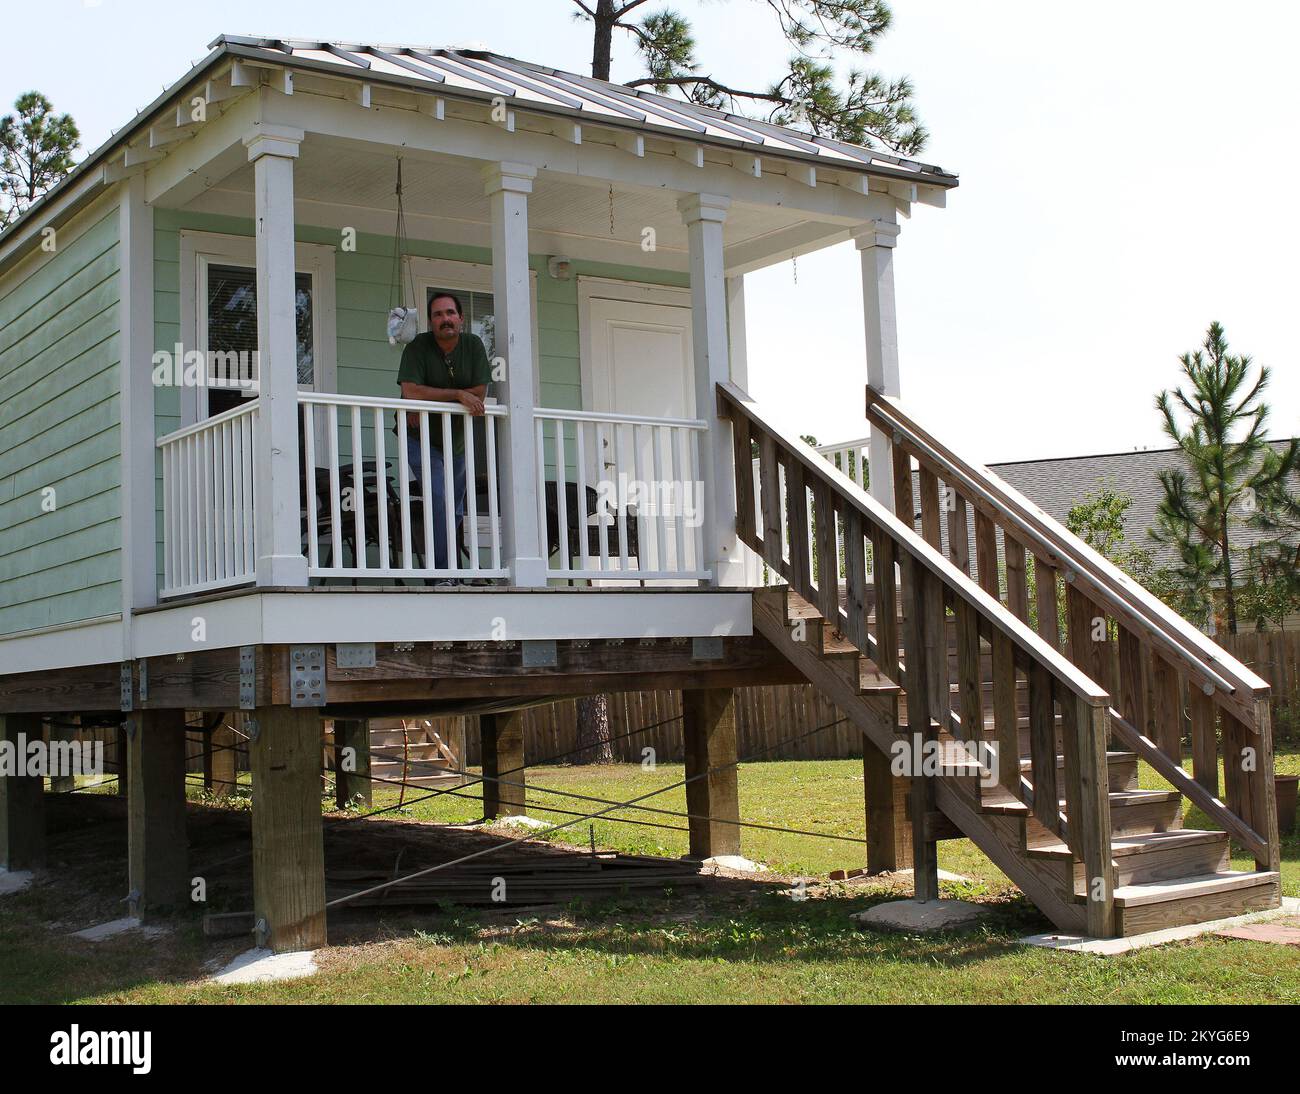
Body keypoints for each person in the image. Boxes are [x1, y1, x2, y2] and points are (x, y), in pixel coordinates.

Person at [396, 291, 491, 575]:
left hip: (457, 441)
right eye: (438, 315)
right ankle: (443, 574)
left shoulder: (473, 345)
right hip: (420, 437)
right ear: (430, 321)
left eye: (450, 313)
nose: (445, 319)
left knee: (455, 508)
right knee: (439, 499)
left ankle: (452, 571)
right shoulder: (417, 346)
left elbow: (480, 393)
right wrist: (458, 394)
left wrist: (433, 398)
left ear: (461, 318)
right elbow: (410, 391)